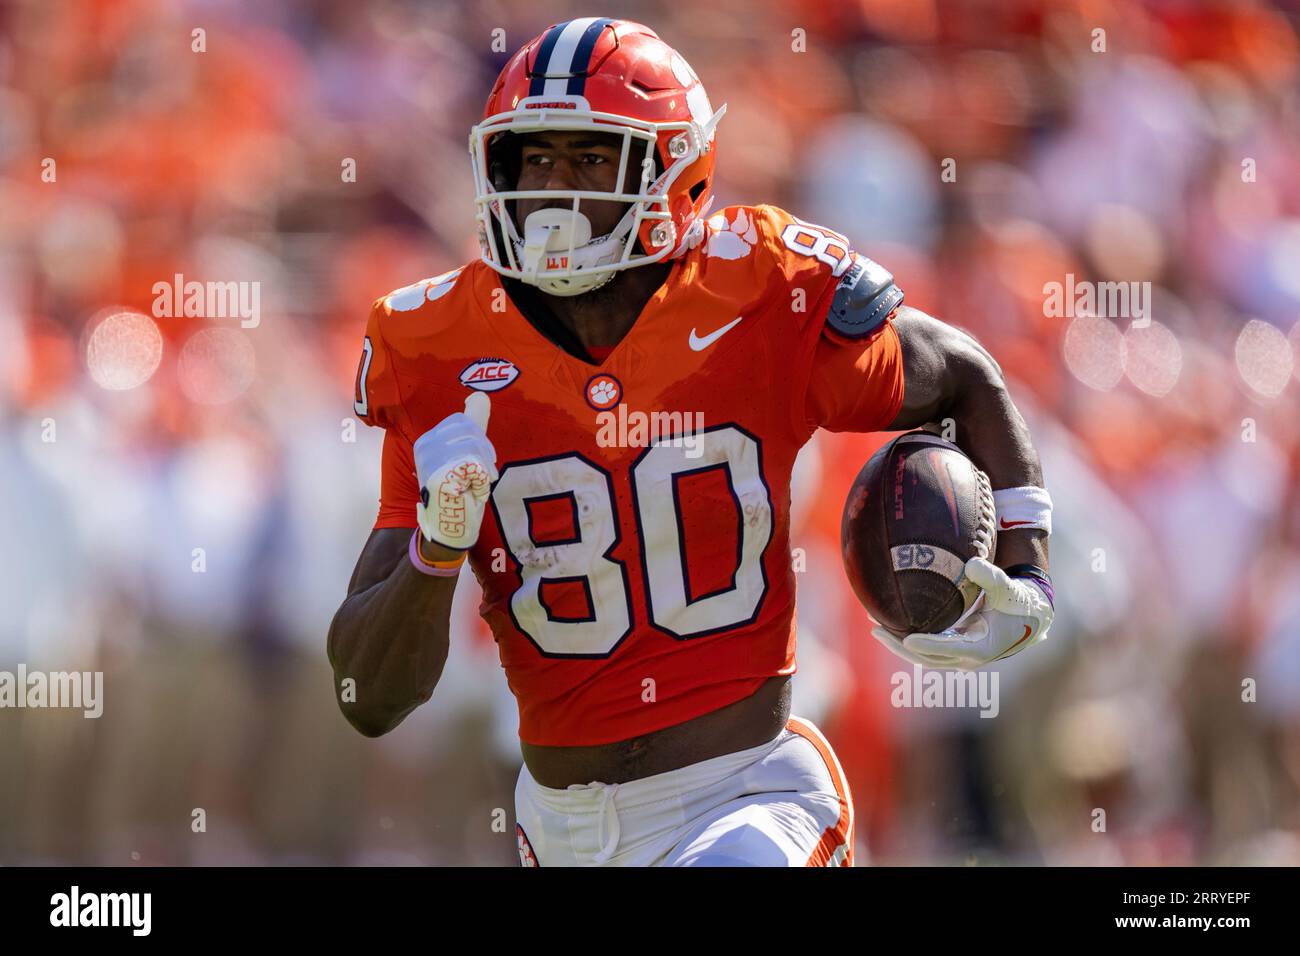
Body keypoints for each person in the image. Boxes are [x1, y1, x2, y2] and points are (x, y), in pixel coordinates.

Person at [326, 17, 1056, 867]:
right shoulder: (436, 346)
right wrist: (437, 544)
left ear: (677, 171)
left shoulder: (763, 292)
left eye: (593, 159)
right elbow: (368, 697)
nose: (555, 189)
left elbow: (964, 375)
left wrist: (1029, 561)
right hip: (560, 832)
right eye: (535, 159)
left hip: (747, 795)